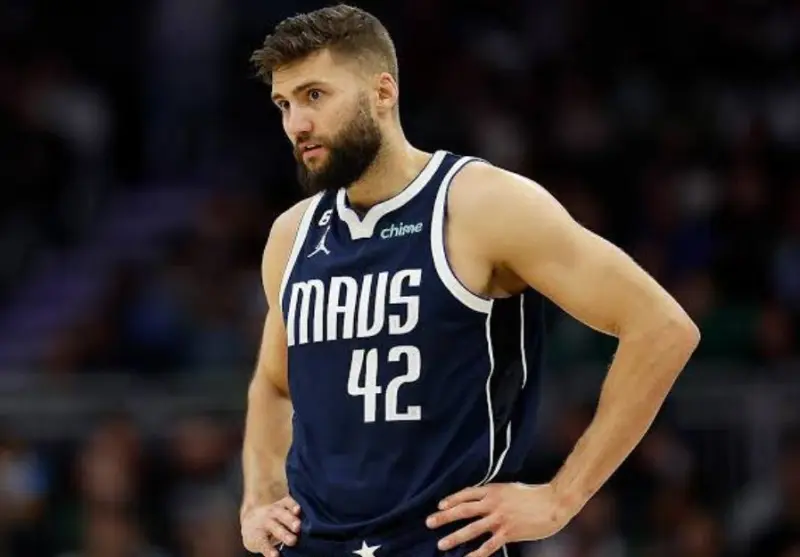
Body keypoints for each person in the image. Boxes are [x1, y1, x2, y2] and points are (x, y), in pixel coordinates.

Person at [239, 5, 700, 557]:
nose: (296, 124)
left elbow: (662, 327)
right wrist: (258, 499)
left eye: (314, 95)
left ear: (383, 92)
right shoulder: (291, 235)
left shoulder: (480, 204)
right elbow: (274, 383)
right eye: (284, 104)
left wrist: (562, 497)